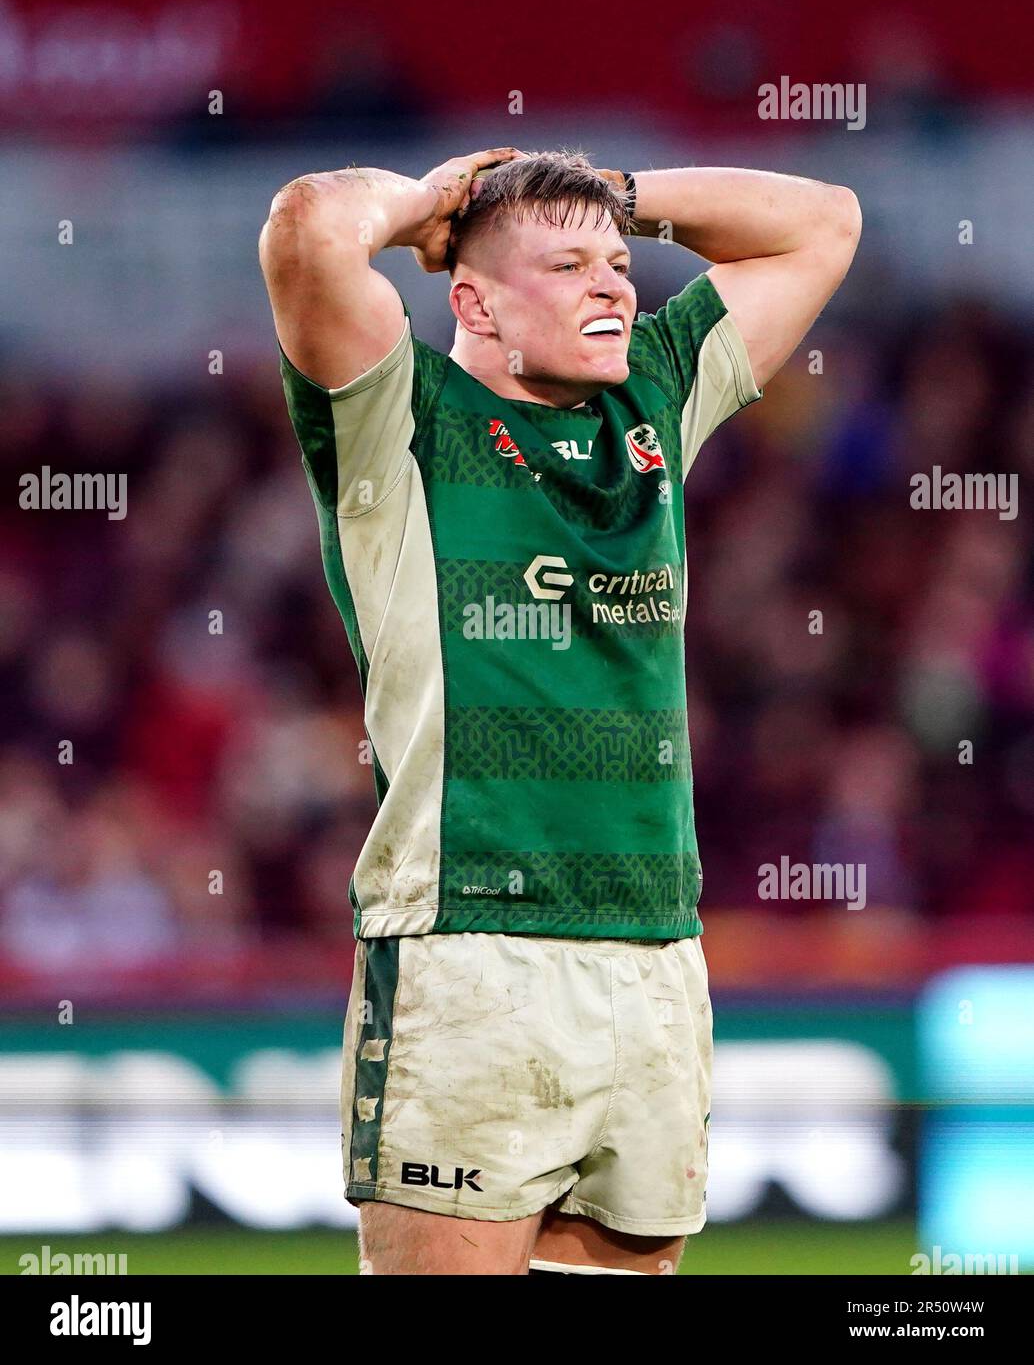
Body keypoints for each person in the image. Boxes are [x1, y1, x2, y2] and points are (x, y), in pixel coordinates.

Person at [258, 147, 861, 1275]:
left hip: (654, 950)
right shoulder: (401, 417)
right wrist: (433, 203)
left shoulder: (655, 397)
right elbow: (307, 227)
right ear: (474, 300)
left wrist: (616, 192)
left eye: (619, 263)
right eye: (569, 264)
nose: (615, 286)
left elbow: (820, 221)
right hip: (468, 950)